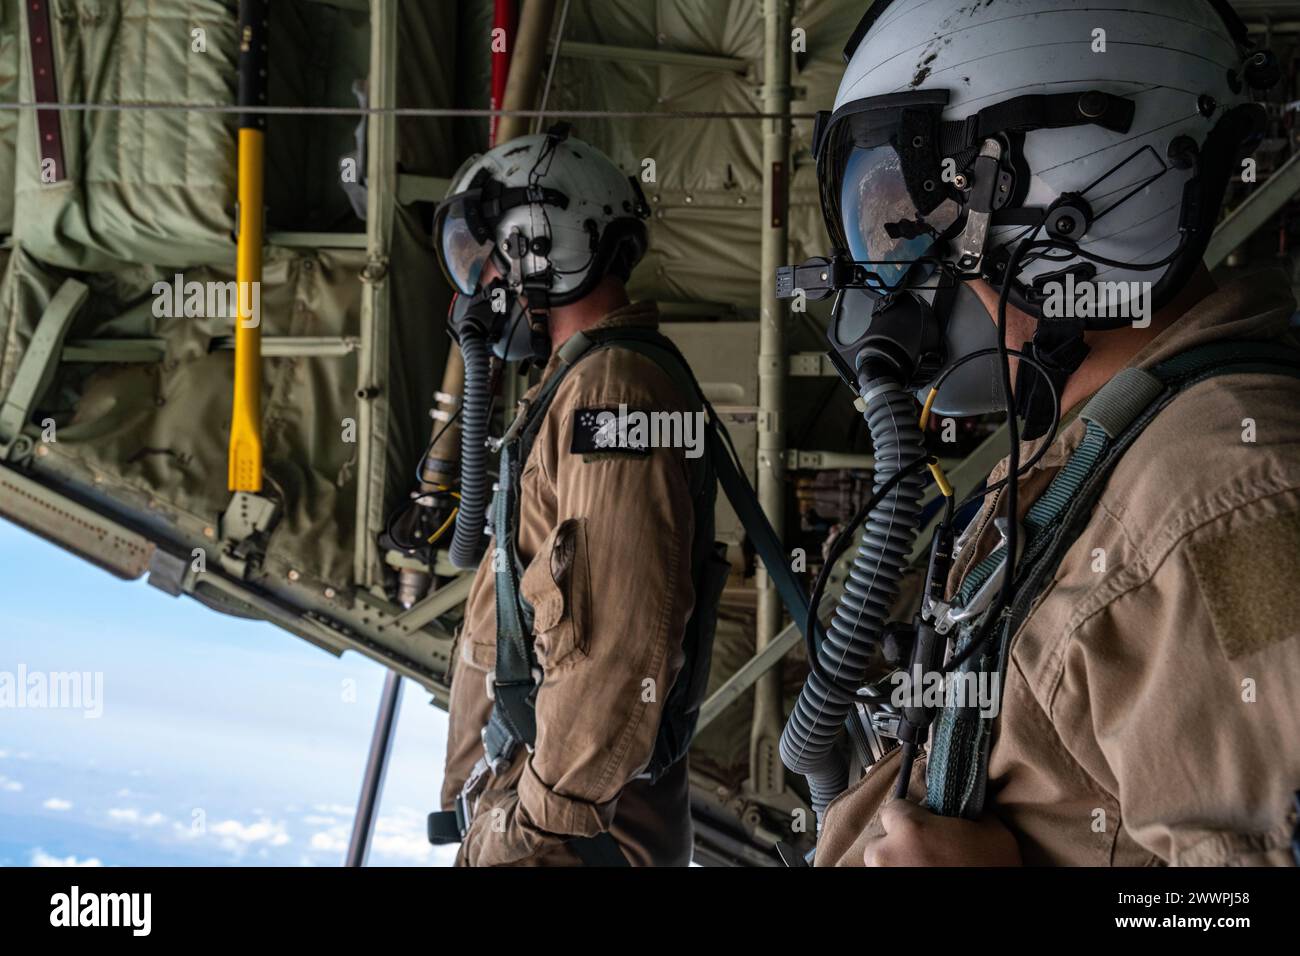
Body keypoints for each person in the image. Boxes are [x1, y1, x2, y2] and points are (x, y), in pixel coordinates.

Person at [792, 0, 1300, 865]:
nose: (889, 287)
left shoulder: (1224, 501)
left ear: (1067, 204)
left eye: (907, 230)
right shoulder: (1106, 456)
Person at [429, 126, 721, 866]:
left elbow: (614, 654)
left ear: (538, 249)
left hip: (581, 839)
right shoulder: (576, 390)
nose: (475, 296)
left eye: (482, 266)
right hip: (543, 820)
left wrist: (527, 834)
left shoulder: (616, 394)